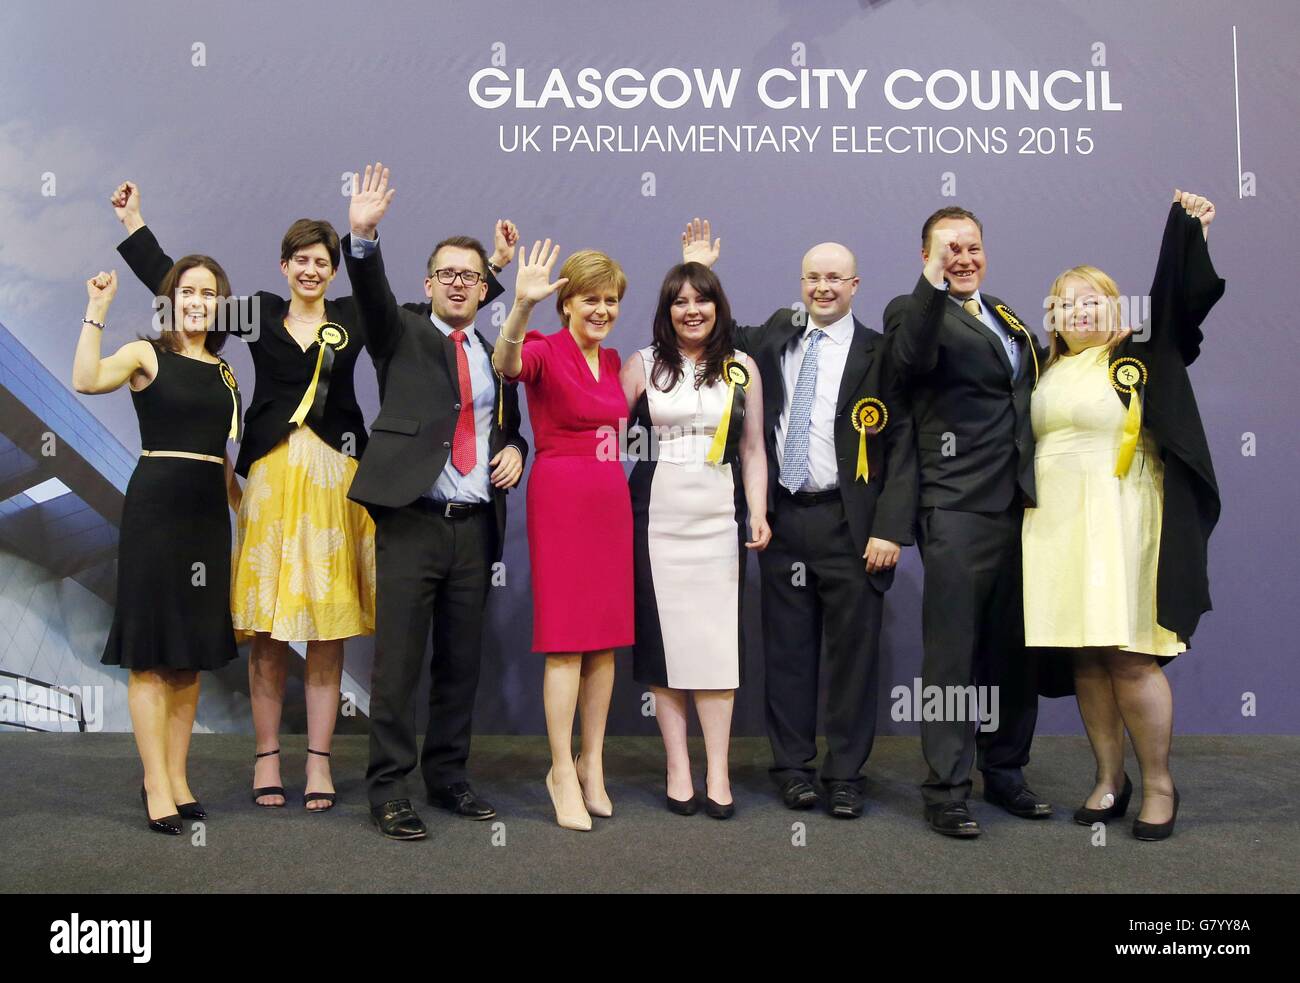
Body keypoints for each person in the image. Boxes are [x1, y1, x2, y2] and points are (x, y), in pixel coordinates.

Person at [109, 179, 514, 811]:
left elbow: (443, 308)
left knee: (329, 628)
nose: (311, 268)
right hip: (271, 479)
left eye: (322, 260)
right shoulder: (262, 312)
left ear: (333, 268)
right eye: (301, 258)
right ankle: (267, 757)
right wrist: (136, 224)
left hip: (339, 479)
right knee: (270, 627)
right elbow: (181, 285)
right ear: (284, 266)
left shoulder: (358, 315)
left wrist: (493, 271)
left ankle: (320, 762)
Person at [681, 220, 917, 819]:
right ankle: (792, 769)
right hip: (784, 518)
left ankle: (844, 774)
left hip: (852, 524)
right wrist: (701, 268)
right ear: (802, 283)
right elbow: (711, 331)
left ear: (855, 284)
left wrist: (889, 526)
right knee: (785, 651)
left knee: (852, 656)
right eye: (813, 277)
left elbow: (905, 444)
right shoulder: (773, 339)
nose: (823, 287)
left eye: (834, 277)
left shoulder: (880, 353)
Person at [1025, 190, 1224, 841]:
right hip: (1056, 526)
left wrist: (1192, 233)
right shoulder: (1042, 368)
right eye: (1066, 301)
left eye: (1093, 299)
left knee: (1132, 654)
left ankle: (1160, 783)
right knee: (1087, 657)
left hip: (1124, 520)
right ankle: (1110, 777)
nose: (1079, 310)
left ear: (1115, 308)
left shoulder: (1139, 357)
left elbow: (1183, 311)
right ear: (1052, 314)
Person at [341, 164, 528, 840]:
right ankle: (389, 788)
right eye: (445, 273)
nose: (457, 281)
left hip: (475, 529)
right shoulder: (405, 335)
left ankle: (447, 778)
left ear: (484, 290)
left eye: (470, 275)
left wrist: (517, 450)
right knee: (397, 665)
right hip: (413, 522)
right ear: (426, 285)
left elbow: (505, 425)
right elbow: (372, 295)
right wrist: (362, 236)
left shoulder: (493, 350)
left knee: (461, 662)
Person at [884, 207, 1050, 837]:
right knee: (953, 656)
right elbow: (910, 360)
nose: (963, 258)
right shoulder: (912, 308)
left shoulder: (1005, 314)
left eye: (972, 246)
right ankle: (947, 787)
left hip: (1020, 508)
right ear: (925, 255)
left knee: (1013, 653)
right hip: (955, 506)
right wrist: (931, 282)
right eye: (948, 248)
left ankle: (1005, 771)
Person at [73, 259, 242, 834]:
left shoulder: (225, 373)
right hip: (155, 512)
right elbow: (86, 379)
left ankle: (178, 777)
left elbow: (223, 459)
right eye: (188, 291)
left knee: (189, 656)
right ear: (171, 298)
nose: (198, 300)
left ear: (221, 303)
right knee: (150, 654)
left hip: (206, 519)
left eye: (209, 293)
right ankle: (154, 783)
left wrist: (243, 509)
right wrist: (96, 311)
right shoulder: (146, 355)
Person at [620, 262, 770, 820]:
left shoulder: (742, 367)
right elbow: (604, 432)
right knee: (665, 643)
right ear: (666, 311)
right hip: (655, 514)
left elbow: (753, 448)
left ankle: (719, 770)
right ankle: (678, 767)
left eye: (701, 300)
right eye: (680, 302)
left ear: (717, 307)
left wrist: (757, 512)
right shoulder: (642, 365)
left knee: (715, 644)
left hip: (719, 517)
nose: (692, 310)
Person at [493, 240, 634, 832]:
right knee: (567, 640)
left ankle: (591, 764)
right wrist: (521, 306)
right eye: (589, 300)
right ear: (567, 303)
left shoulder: (615, 358)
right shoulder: (544, 349)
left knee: (604, 641)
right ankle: (558, 770)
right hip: (559, 498)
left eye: (610, 301)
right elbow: (506, 364)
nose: (601, 310)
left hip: (610, 500)